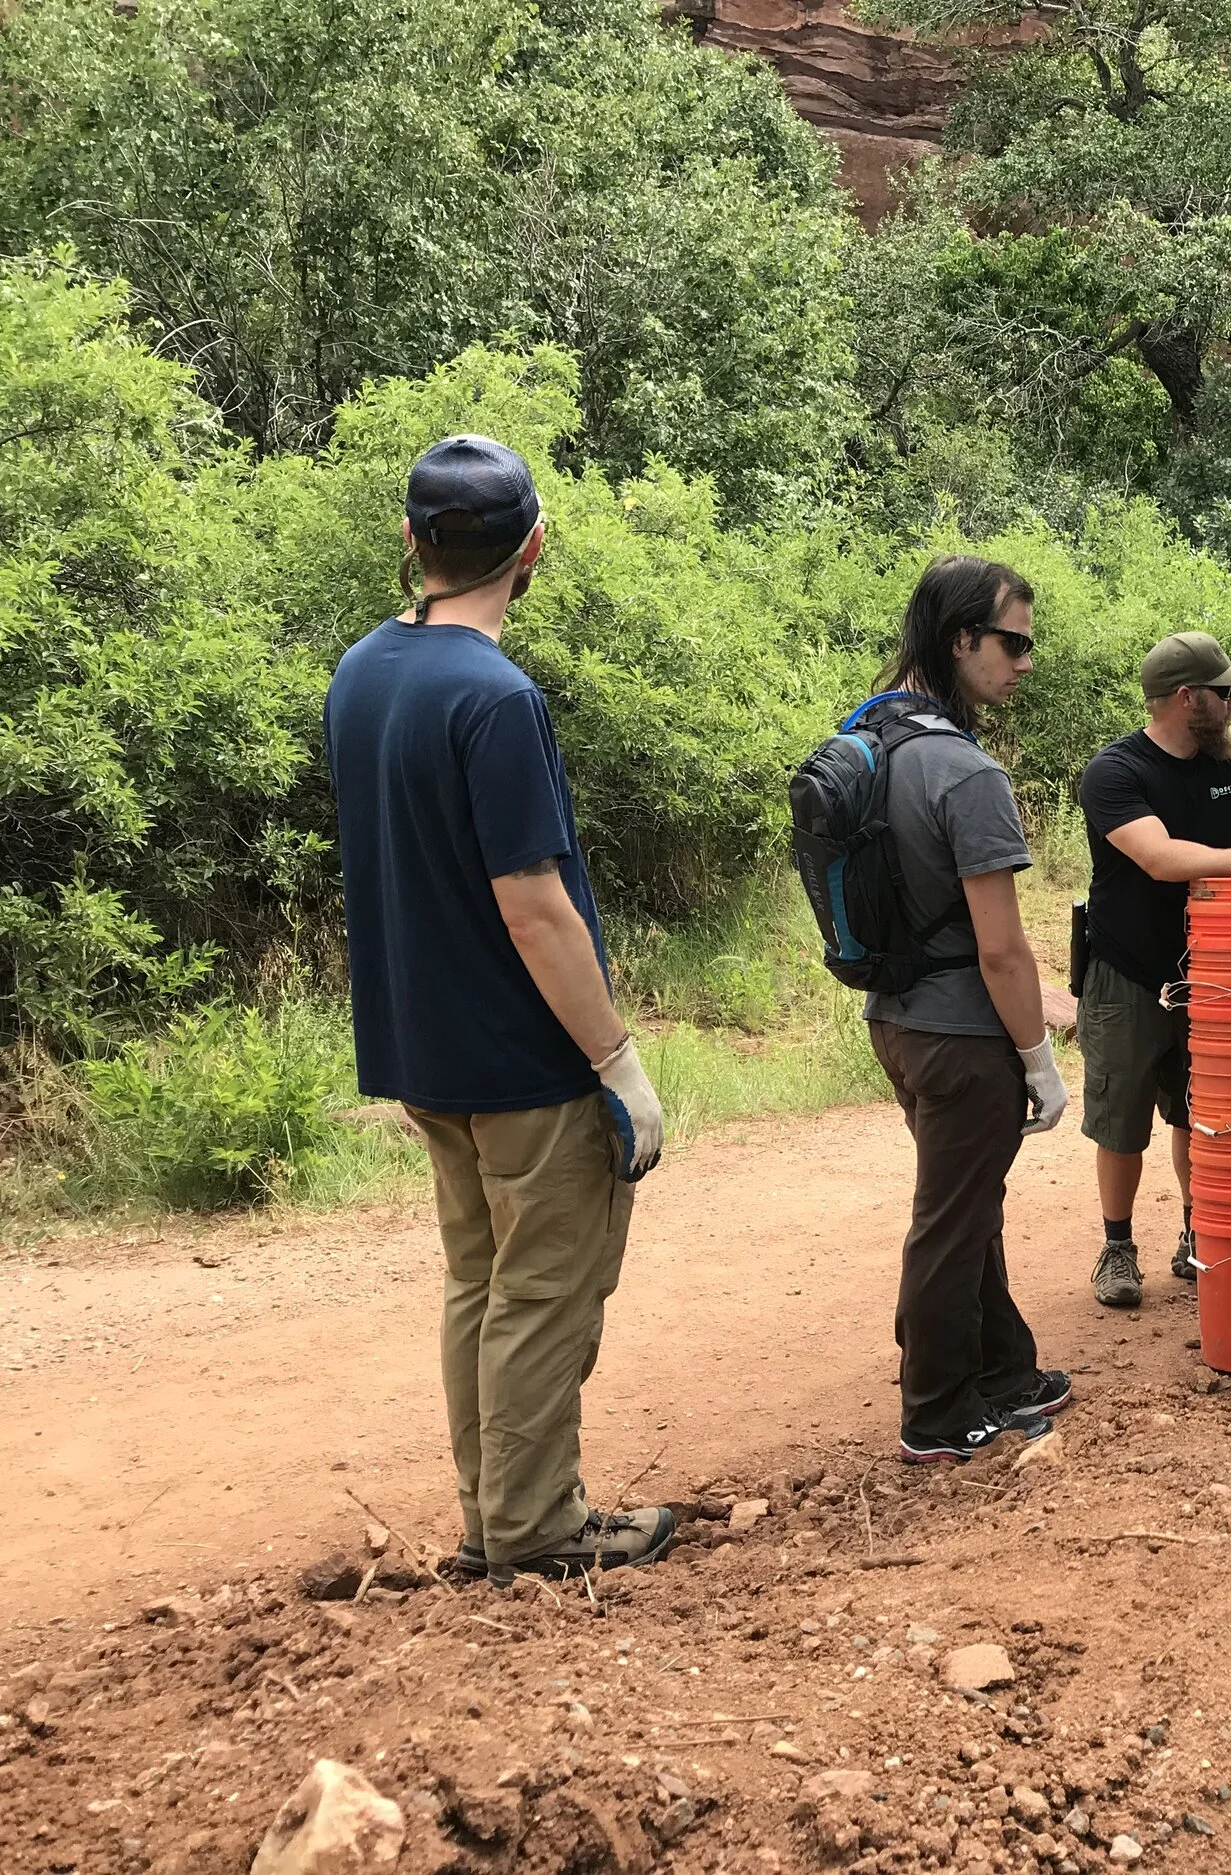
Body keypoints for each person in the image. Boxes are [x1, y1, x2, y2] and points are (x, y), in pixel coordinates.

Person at [326, 434, 674, 1586]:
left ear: (414, 543)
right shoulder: (497, 695)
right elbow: (534, 906)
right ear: (532, 547)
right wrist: (618, 1063)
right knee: (542, 1291)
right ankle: (536, 1529)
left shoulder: (362, 671)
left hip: (424, 1049)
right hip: (525, 1057)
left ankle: (496, 1516)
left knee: (479, 1285)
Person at [863, 556, 1074, 1463]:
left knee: (967, 1200)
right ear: (961, 640)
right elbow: (1001, 946)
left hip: (895, 1019)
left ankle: (1004, 1367)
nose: (1024, 660)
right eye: (1012, 641)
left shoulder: (870, 740)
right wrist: (1038, 1057)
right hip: (962, 1034)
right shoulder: (966, 773)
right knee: (951, 1221)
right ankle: (940, 1412)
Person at [1076, 632, 1231, 1308]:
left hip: (1213, 973)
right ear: (1189, 699)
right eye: (1225, 692)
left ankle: (1198, 1230)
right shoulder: (1115, 772)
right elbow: (1158, 856)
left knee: (1202, 1112)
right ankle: (1117, 1246)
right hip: (1126, 972)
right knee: (1122, 1117)